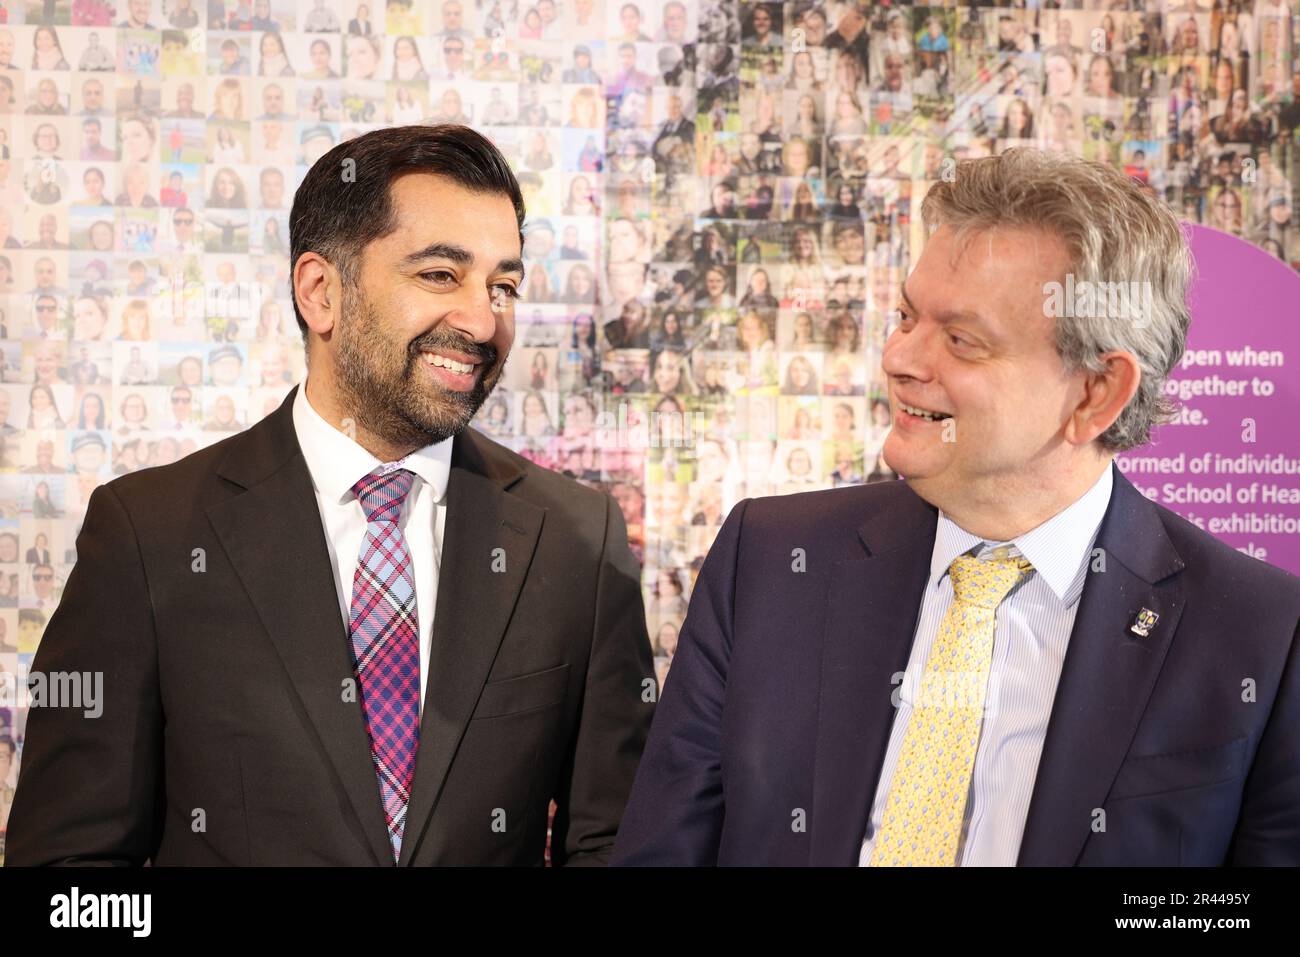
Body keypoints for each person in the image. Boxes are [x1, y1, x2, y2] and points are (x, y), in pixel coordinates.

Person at [612, 148, 1300, 866]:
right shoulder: (770, 562)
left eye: (961, 340)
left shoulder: (1259, 633)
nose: (901, 357)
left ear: (1096, 393)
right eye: (907, 316)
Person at [8, 125, 655, 867]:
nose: (483, 321)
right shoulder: (147, 535)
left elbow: (617, 849)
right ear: (321, 292)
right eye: (441, 275)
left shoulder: (578, 539)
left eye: (502, 286)